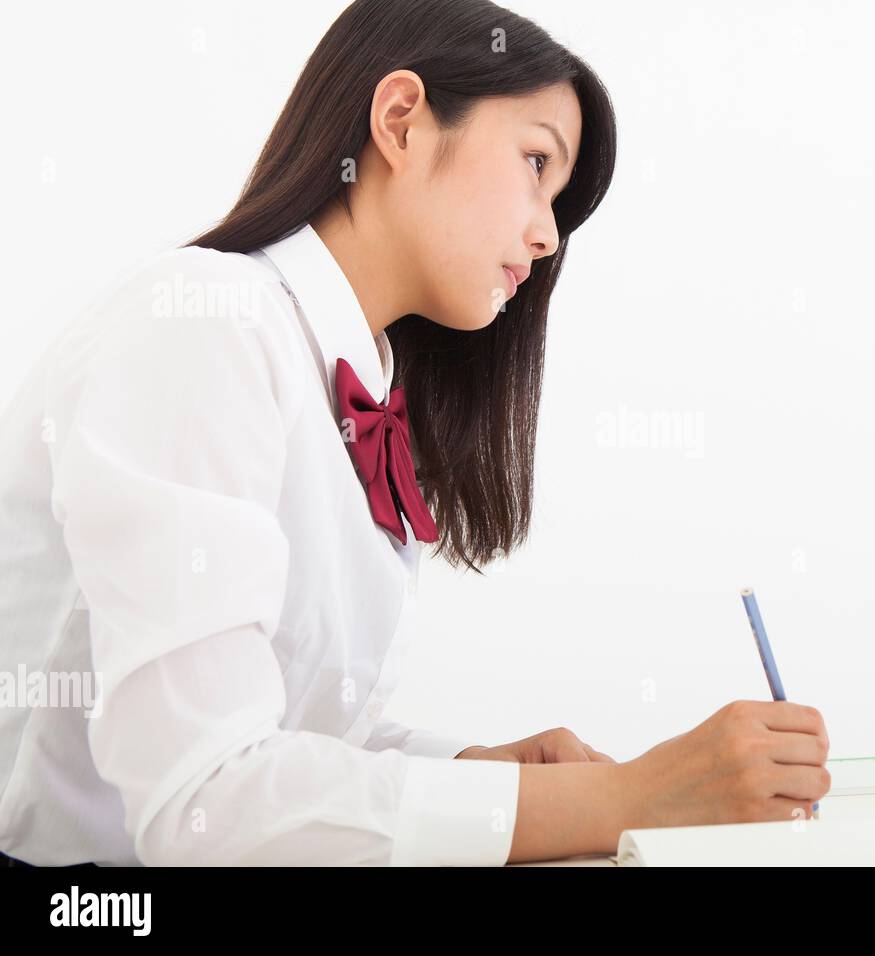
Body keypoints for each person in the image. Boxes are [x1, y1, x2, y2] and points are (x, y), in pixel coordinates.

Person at [0, 0, 830, 866]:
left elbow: (283, 737)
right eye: (536, 161)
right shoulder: (207, 322)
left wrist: (479, 771)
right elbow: (207, 804)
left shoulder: (358, 380)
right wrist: (624, 797)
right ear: (401, 121)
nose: (547, 235)